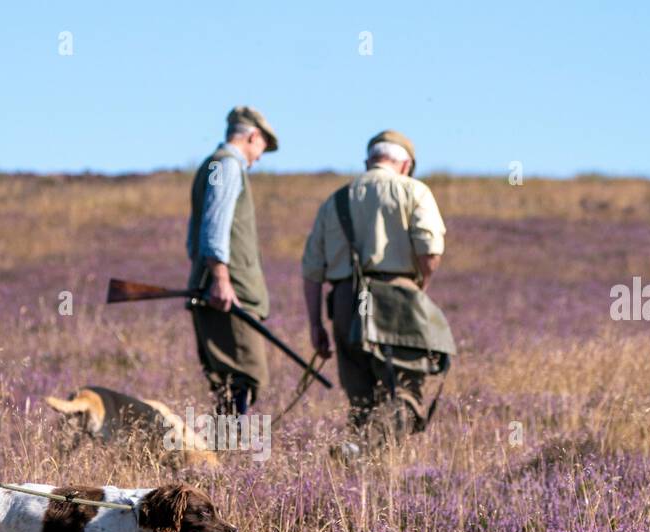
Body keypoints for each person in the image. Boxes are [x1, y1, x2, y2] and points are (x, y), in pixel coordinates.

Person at [301, 130, 455, 444]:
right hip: (396, 300)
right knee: (403, 391)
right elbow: (430, 251)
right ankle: (386, 463)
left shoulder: (336, 200)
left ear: (368, 161)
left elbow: (312, 270)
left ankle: (358, 460)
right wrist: (418, 289)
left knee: (361, 398)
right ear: (406, 164)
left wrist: (316, 325)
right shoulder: (415, 191)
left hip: (345, 303)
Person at [185, 106, 279, 416]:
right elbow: (214, 228)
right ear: (253, 136)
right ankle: (231, 454)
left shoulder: (211, 166)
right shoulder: (227, 167)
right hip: (229, 294)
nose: (259, 157)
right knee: (244, 377)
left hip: (218, 290)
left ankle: (225, 455)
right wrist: (222, 280)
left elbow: (193, 237)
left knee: (229, 380)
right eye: (261, 147)